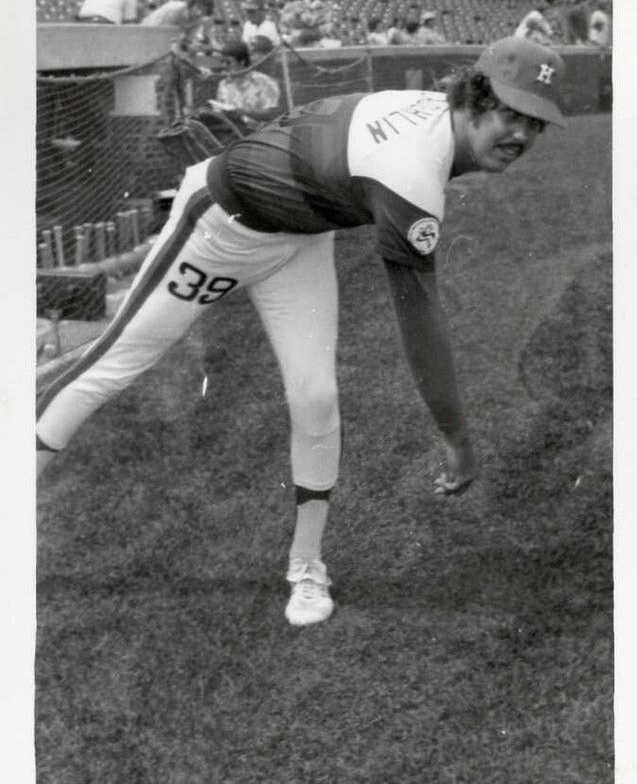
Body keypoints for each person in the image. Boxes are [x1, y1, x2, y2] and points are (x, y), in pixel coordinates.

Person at [36, 37, 566, 628]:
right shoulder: (413, 171)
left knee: (315, 397)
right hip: (218, 226)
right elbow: (420, 320)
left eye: (536, 122)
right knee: (115, 364)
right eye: (510, 115)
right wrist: (458, 437)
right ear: (475, 98)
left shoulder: (433, 123)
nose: (521, 135)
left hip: (297, 237)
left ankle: (306, 567)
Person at [208, 39, 282, 130]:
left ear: (242, 61)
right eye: (222, 62)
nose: (224, 66)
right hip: (233, 133)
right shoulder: (224, 84)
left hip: (261, 135)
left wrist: (244, 112)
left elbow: (272, 114)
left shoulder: (264, 82)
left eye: (228, 62)